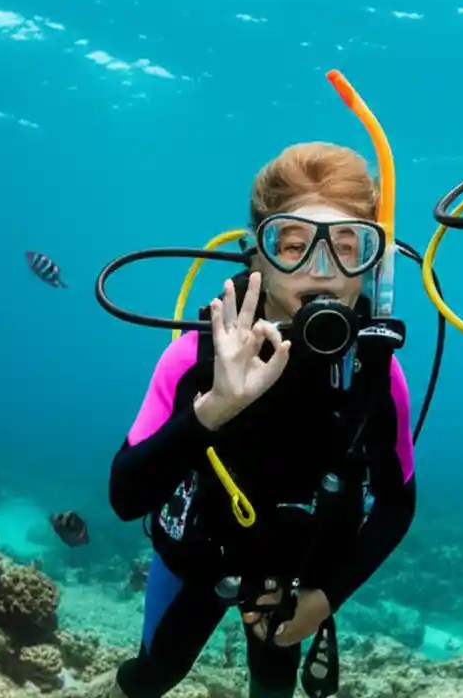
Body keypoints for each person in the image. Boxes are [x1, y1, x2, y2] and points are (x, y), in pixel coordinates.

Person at [106, 142, 418, 698]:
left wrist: (326, 598)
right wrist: (215, 408)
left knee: (273, 688)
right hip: (195, 564)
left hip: (294, 583)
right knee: (152, 677)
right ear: (257, 255)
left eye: (349, 247)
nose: (322, 271)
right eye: (293, 245)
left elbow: (398, 503)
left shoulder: (376, 374)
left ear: (373, 267)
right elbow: (126, 496)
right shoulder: (192, 361)